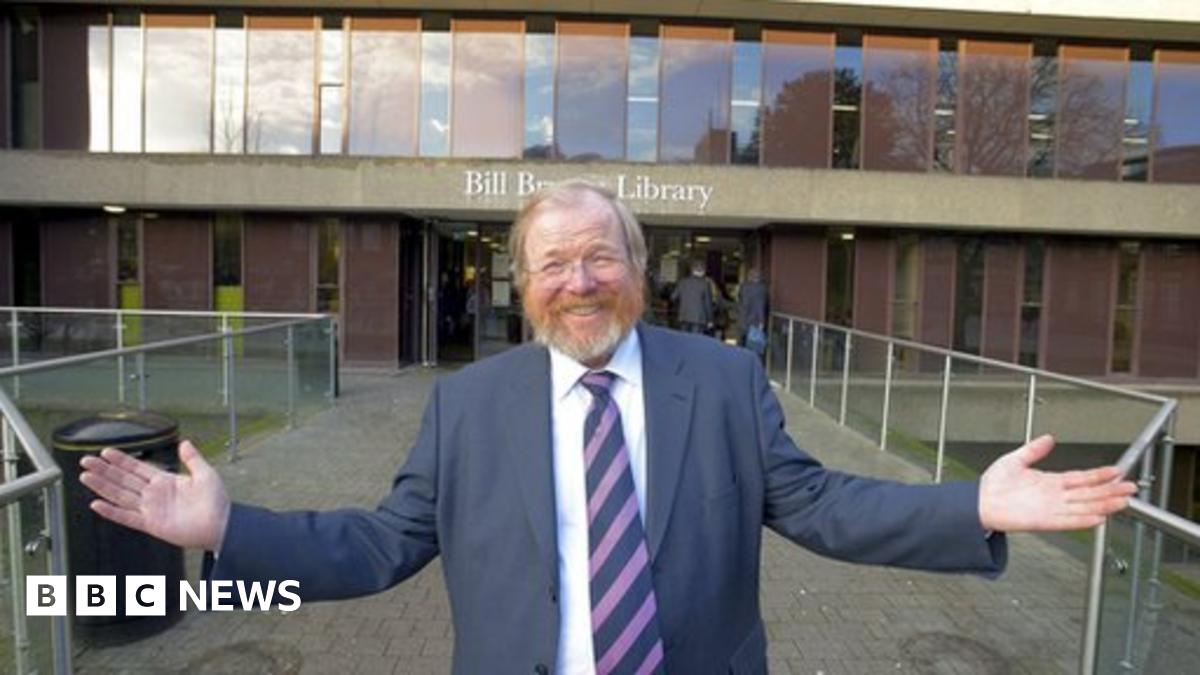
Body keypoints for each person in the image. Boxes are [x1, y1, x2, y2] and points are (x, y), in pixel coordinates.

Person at [79, 181, 1135, 675]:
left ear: (640, 269)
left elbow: (820, 506)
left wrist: (973, 505)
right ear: (521, 283)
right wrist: (228, 528)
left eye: (602, 256)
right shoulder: (468, 405)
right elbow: (383, 544)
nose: (579, 280)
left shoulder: (722, 383)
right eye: (553, 262)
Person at [671, 261, 714, 335]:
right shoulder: (705, 284)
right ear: (703, 271)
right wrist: (710, 320)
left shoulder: (683, 282)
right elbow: (708, 304)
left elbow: (673, 297)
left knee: (684, 341)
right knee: (695, 342)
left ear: (692, 270)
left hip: (683, 317)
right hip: (699, 319)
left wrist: (682, 305)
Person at [736, 269, 768, 349]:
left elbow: (739, 300)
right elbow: (759, 306)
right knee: (752, 347)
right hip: (754, 322)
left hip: (742, 320)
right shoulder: (761, 288)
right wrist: (761, 322)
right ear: (758, 278)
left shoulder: (743, 286)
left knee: (740, 345)